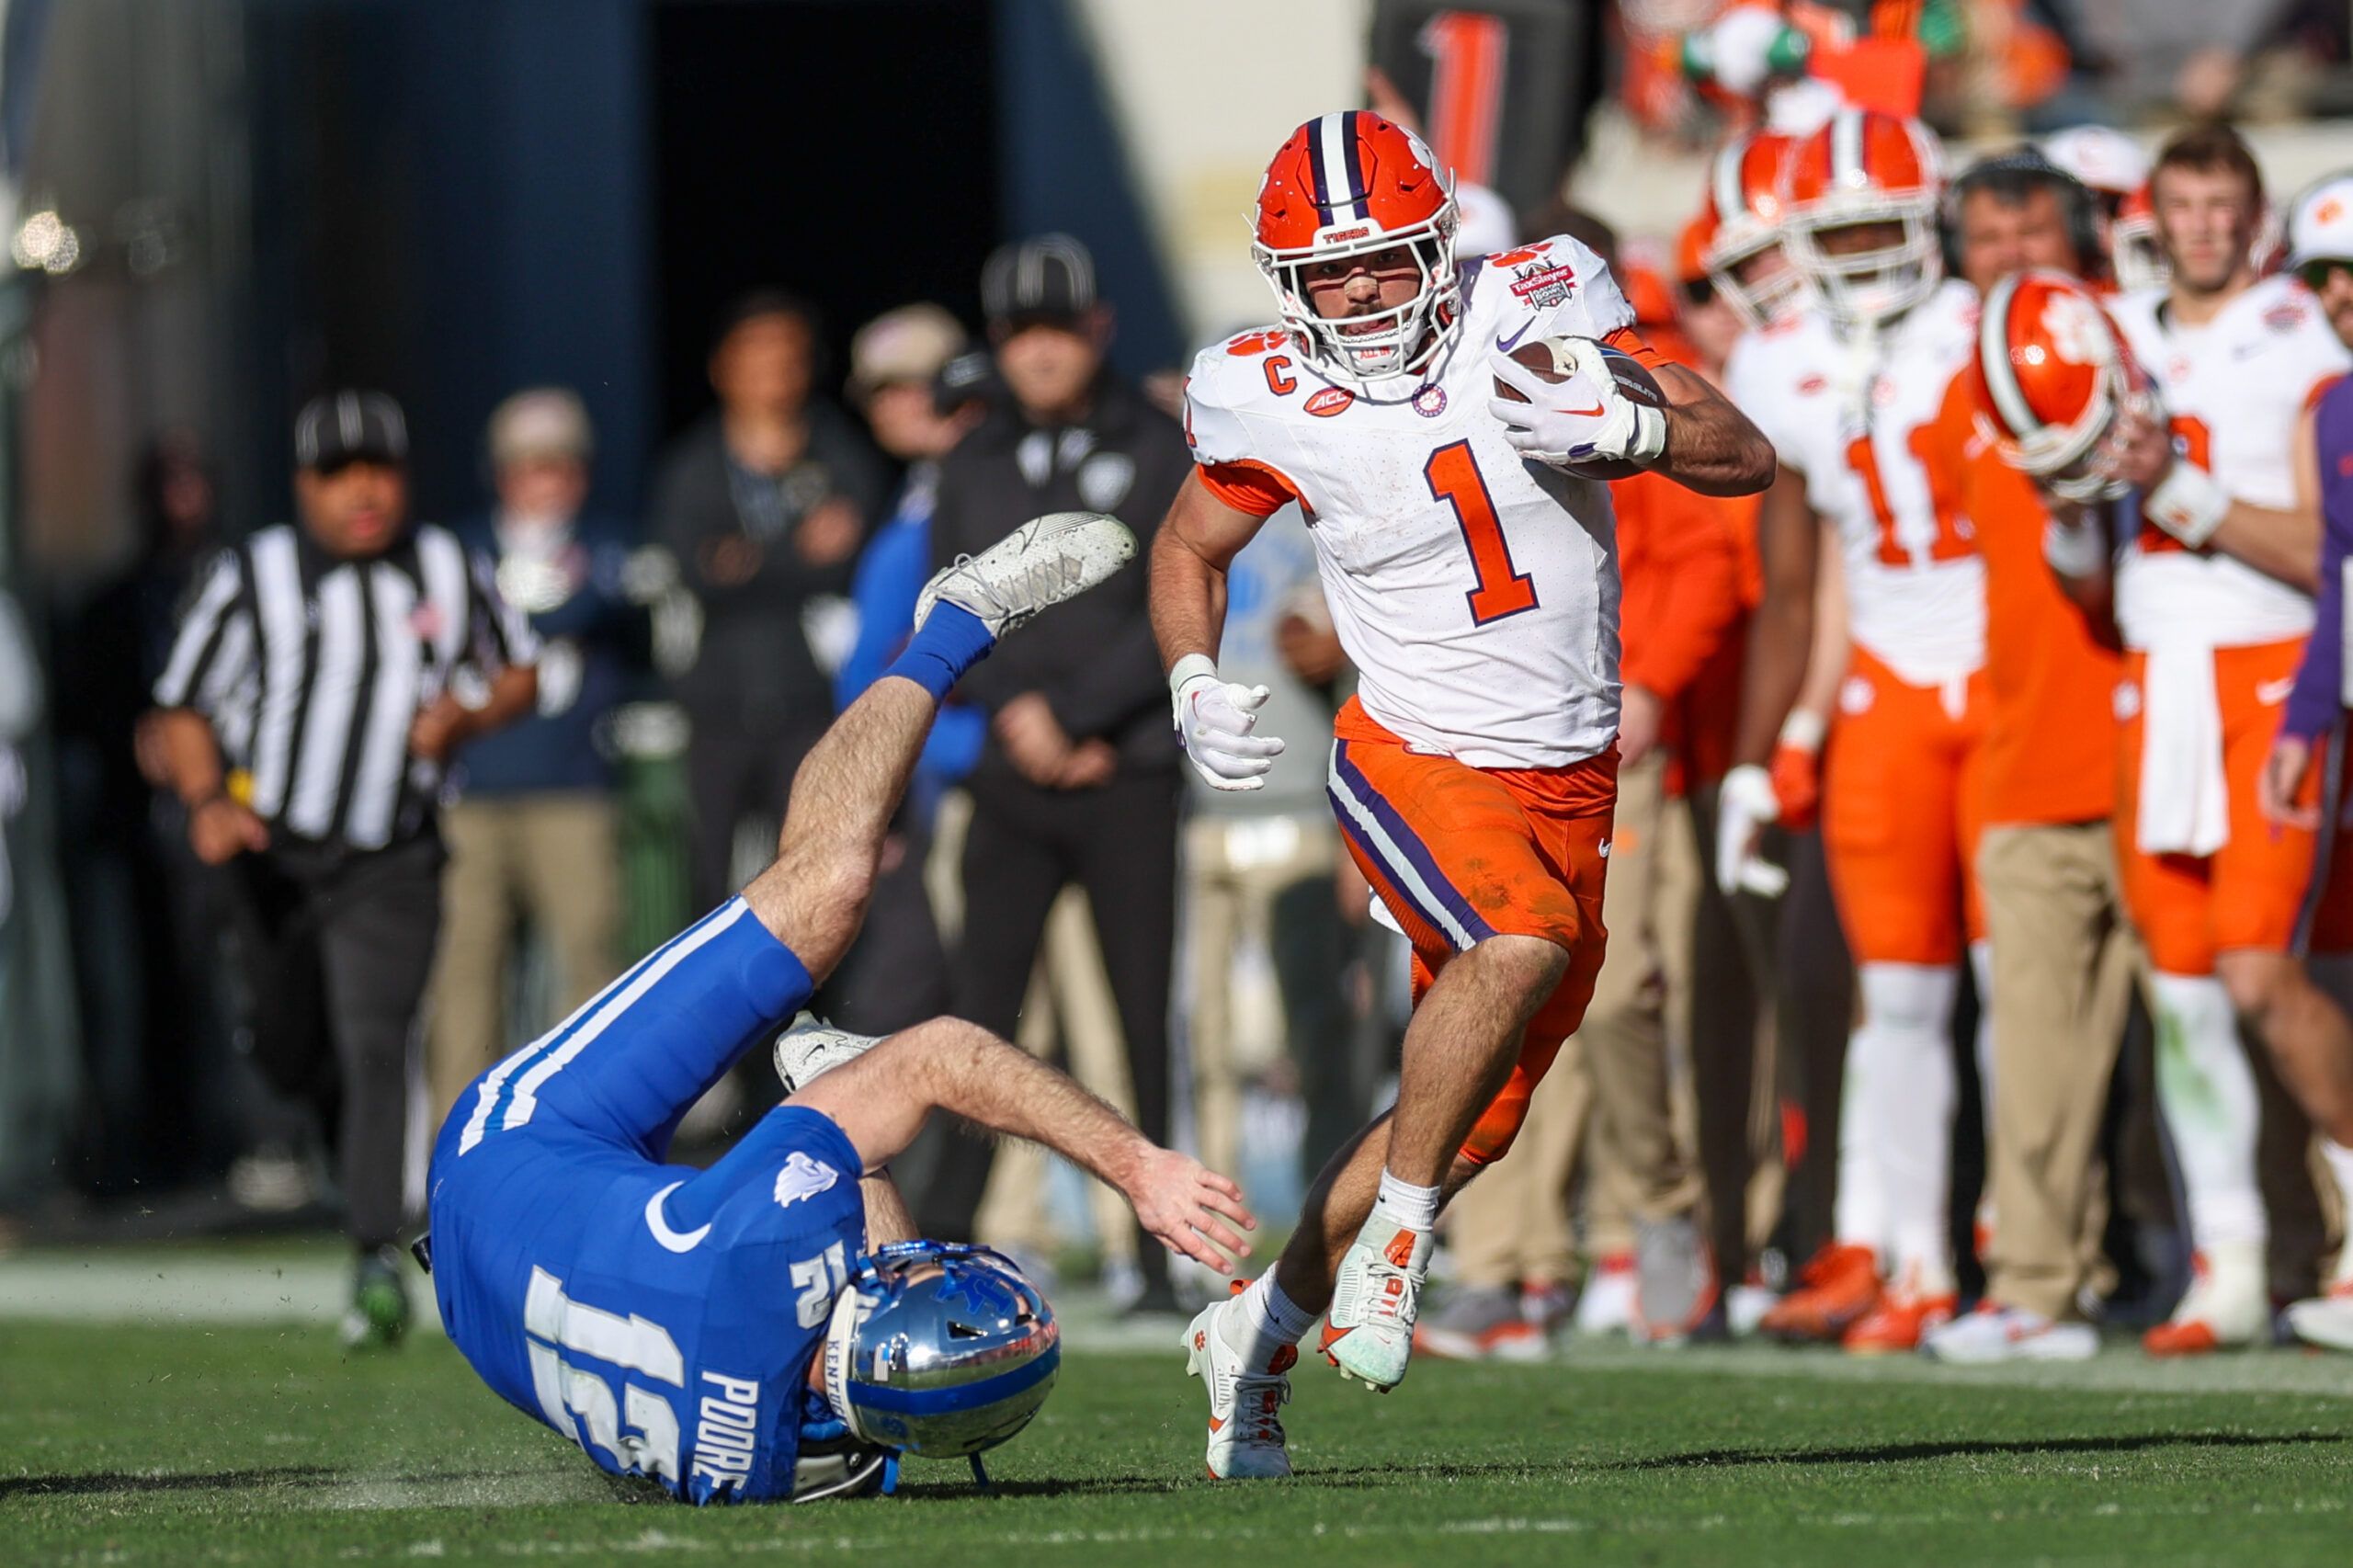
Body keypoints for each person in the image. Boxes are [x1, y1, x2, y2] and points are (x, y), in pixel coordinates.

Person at [1153, 109, 1770, 1477]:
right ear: (1284, 284)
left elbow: (1746, 456)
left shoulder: (1534, 303)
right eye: (1328, 273)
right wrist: (1194, 674)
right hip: (1414, 748)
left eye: (1381, 262)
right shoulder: (1261, 391)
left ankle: (1253, 1330)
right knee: (1518, 939)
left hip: (1574, 768)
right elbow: (1190, 542)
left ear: (1438, 244)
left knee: (1471, 1114)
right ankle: (1399, 1249)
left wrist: (1637, 420)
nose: (1359, 293)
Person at [425, 510, 1255, 1504]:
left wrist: (1139, 1167)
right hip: (483, 1299)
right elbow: (841, 1355)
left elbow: (941, 1051)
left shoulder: (772, 1248)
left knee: (826, 887)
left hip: (513, 1149)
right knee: (838, 1166)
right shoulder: (783, 1466)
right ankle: (842, 1096)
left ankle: (953, 620)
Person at [151, 390, 540, 1346]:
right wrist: (209, 802)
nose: (362, 491)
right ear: (303, 486)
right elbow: (181, 708)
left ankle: (372, 1247)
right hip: (271, 849)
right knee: (289, 1047)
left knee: (378, 1038)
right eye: (338, 473)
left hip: (392, 852)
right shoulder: (254, 574)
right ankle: (337, 1136)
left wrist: (467, 717)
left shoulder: (448, 564)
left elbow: (521, 667)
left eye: (379, 469)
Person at [1718, 108, 1992, 1355]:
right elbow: (1803, 576)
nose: (1870, 255)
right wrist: (1782, 742)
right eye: (1847, 233)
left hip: (2002, 684)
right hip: (1881, 683)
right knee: (1901, 994)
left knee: (2022, 987)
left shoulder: (1980, 328)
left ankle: (2040, 1250)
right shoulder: (1782, 360)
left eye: (1887, 226)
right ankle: (1910, 1257)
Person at [2089, 125, 2353, 1353]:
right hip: (2158, 673)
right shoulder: (2122, 330)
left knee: (2260, 966)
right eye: (2181, 204)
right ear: (2155, 214)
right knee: (2185, 987)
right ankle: (2229, 1261)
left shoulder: (2301, 332)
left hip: (2271, 666)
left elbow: (2326, 547)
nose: (2201, 227)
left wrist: (2177, 489)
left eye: (2222, 206)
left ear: (2254, 217)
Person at [916, 235, 1195, 1313]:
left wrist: (1077, 715)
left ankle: (1159, 1250)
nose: (1039, 354)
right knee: (979, 1014)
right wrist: (1017, 711)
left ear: (1099, 331)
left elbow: (1175, 591)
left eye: (1057, 331)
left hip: (1122, 770)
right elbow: (956, 603)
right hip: (1013, 782)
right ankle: (940, 1240)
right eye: (1019, 335)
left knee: (1139, 1018)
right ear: (997, 346)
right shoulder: (971, 460)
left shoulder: (1159, 443)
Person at [1910, 154, 2133, 1364]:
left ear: (2080, 232)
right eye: (1986, 233)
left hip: (2163, 745)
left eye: (2029, 227)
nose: (2007, 253)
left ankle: (2294, 1260)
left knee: (2227, 1031)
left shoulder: (2140, 349)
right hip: (2028, 750)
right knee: (2036, 1051)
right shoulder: (1962, 394)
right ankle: (2042, 1279)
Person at [427, 390, 641, 1125]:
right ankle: (454, 1155)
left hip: (572, 790)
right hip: (473, 789)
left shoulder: (607, 548)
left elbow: (591, 605)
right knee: (466, 979)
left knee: (590, 968)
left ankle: (592, 1139)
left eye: (558, 465)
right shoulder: (457, 550)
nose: (543, 481)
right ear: (500, 472)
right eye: (527, 465)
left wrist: (521, 609)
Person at [652, 292, 887, 910]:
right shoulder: (693, 467)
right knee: (708, 878)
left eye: (789, 358)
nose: (774, 374)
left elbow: (849, 557)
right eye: (756, 358)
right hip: (717, 709)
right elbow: (696, 570)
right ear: (721, 368)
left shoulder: (839, 454)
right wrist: (793, 549)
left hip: (812, 706)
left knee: (813, 874)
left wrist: (748, 559)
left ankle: (811, 1005)